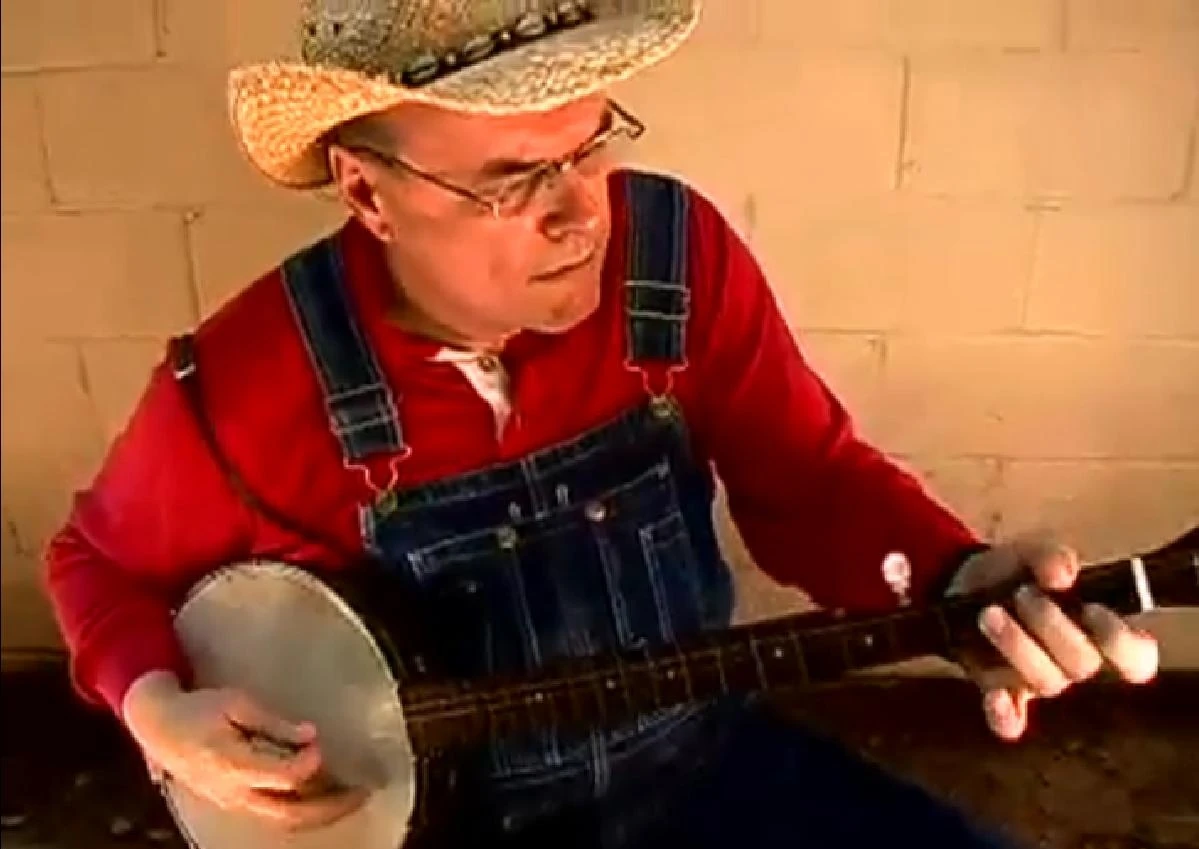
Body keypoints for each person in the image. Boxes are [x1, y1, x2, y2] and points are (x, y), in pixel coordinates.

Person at [41, 1, 1160, 847]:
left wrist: (955, 578)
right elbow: (95, 561)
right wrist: (155, 711)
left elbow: (806, 477)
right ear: (366, 193)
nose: (581, 213)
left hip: (700, 768)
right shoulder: (245, 379)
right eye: (511, 179)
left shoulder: (675, 259)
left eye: (588, 147)